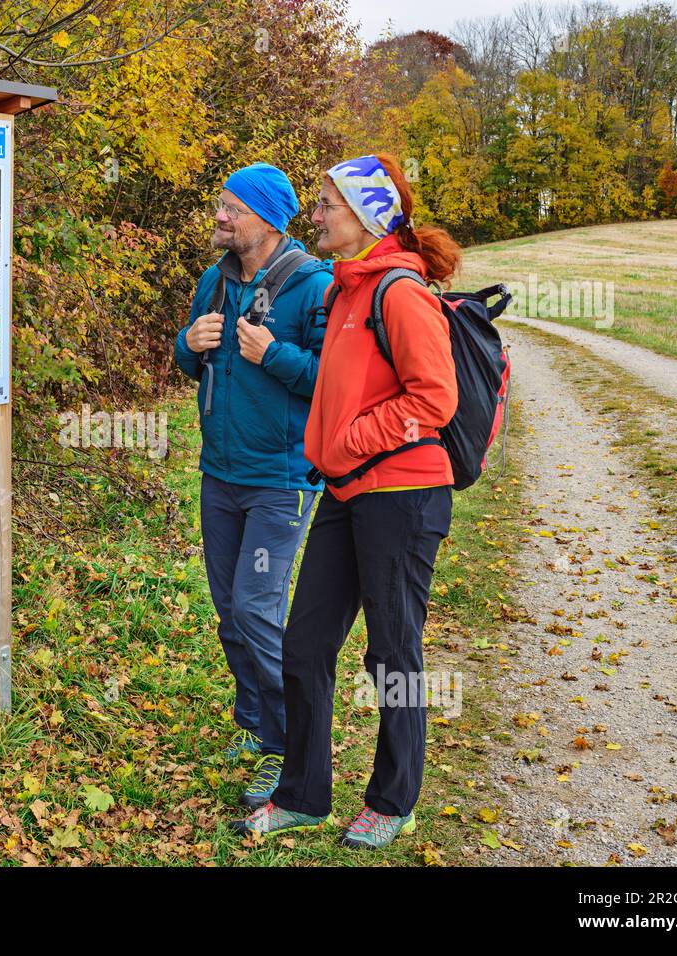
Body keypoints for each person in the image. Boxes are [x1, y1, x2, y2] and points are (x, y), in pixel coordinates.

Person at [230, 153, 461, 848]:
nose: (317, 214)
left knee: (392, 656)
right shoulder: (344, 290)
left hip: (404, 496)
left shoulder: (399, 291)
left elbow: (435, 398)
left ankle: (394, 798)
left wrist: (355, 436)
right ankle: (304, 793)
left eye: (328, 203)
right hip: (344, 489)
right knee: (305, 644)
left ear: (363, 217)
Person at [174, 163, 334, 809]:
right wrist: (189, 345)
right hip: (221, 472)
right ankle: (257, 720)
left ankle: (288, 747)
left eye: (231, 207)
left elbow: (334, 380)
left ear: (268, 219)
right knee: (229, 613)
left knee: (256, 610)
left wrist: (275, 355)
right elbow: (191, 365)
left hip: (281, 479)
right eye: (220, 202)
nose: (219, 215)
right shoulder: (213, 282)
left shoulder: (312, 287)